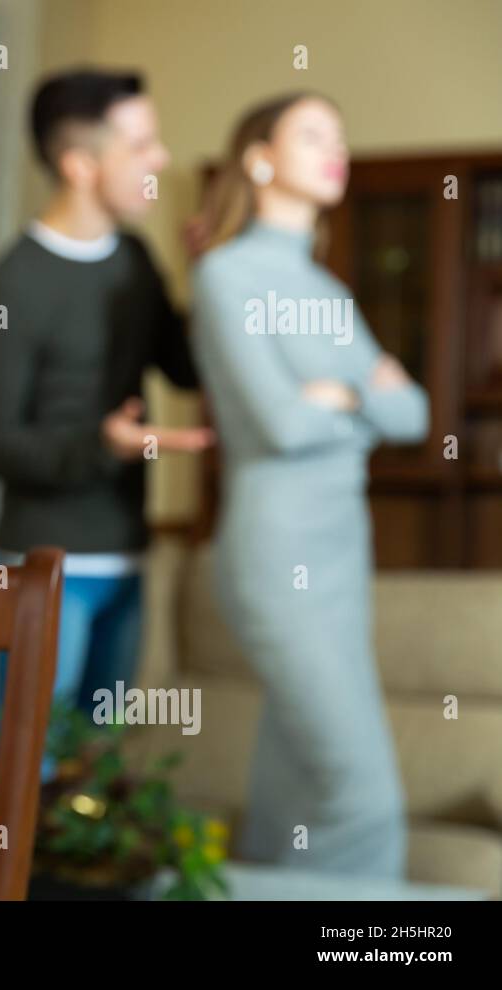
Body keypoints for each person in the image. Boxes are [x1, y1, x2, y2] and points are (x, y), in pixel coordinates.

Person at [189, 92, 429, 878]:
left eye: (342, 134)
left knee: (293, 784)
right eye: (315, 133)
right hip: (274, 551)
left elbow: (415, 412)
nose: (339, 150)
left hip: (340, 551)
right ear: (259, 158)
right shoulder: (226, 275)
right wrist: (366, 394)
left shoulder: (327, 292)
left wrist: (343, 397)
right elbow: (281, 427)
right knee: (363, 797)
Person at [0, 68, 212, 780]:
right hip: (46, 567)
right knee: (26, 768)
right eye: (141, 145)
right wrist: (101, 447)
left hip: (128, 559)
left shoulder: (137, 261)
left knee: (95, 769)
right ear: (80, 164)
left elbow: (188, 371)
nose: (160, 160)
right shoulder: (7, 288)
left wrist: (208, 280)